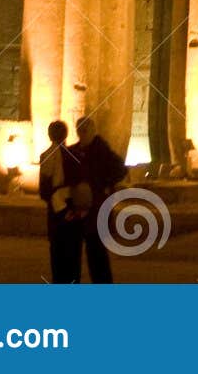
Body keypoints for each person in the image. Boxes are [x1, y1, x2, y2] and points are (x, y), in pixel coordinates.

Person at [73, 117, 126, 284]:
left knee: (97, 251)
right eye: (81, 130)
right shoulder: (75, 150)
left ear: (93, 130)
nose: (83, 133)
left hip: (98, 208)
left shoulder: (102, 150)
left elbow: (120, 170)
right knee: (77, 252)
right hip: (80, 208)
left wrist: (104, 184)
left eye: (86, 129)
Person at [37, 122, 85, 283]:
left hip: (56, 211)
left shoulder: (46, 156)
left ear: (50, 135)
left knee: (58, 251)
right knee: (74, 250)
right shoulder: (77, 155)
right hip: (75, 208)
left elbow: (44, 190)